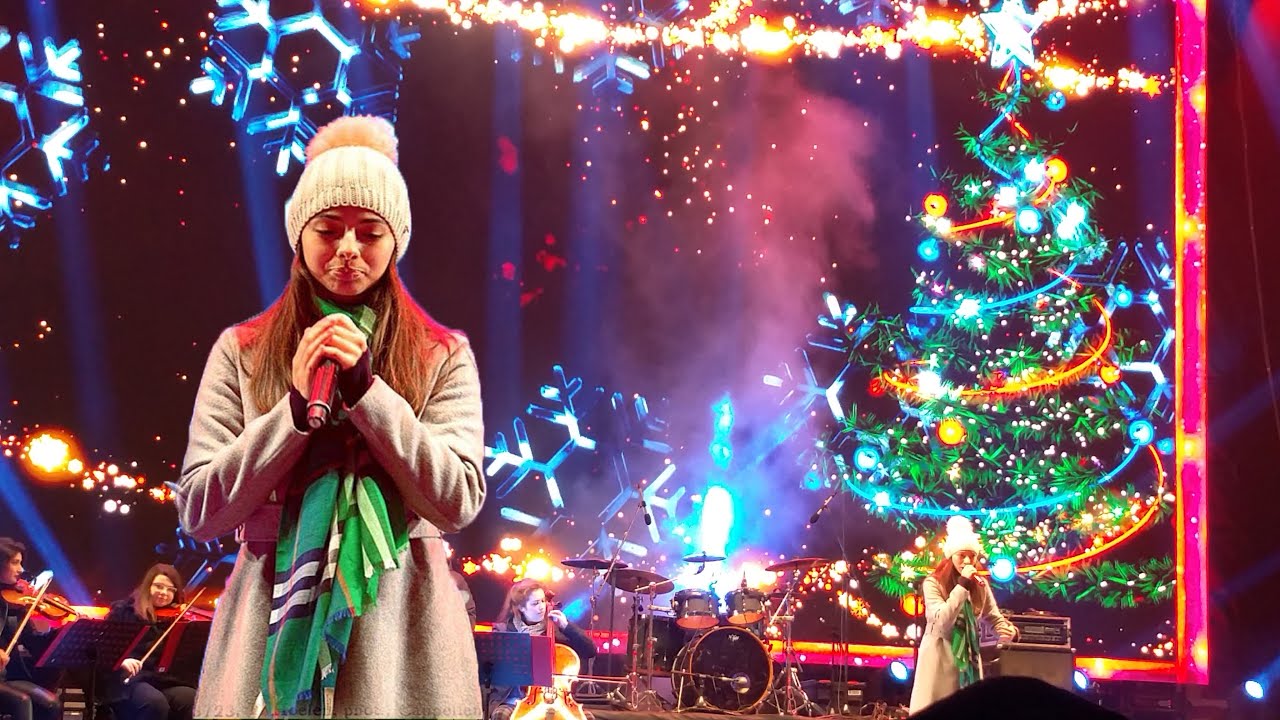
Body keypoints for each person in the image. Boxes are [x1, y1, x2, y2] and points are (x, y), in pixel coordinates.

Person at [174, 115, 486, 718]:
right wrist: (291, 411)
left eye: (369, 231)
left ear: (395, 241)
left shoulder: (441, 353)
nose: (347, 249)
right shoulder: (242, 349)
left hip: (401, 629)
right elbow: (201, 511)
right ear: (300, 237)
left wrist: (370, 393)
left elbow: (456, 501)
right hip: (266, 613)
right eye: (328, 229)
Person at [909, 516, 1018, 715]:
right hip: (939, 655)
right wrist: (962, 586)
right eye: (962, 555)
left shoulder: (980, 585)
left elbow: (993, 616)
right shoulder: (933, 583)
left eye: (972, 556)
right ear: (951, 557)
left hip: (968, 657)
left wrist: (1007, 631)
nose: (967, 561)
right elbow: (942, 620)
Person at [488, 579, 598, 720]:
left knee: (587, 717)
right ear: (521, 607)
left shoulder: (556, 630)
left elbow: (590, 651)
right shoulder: (504, 631)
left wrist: (567, 626)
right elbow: (490, 670)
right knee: (500, 715)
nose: (542, 607)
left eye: (542, 601)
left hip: (556, 700)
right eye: (535, 603)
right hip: (513, 699)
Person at [103, 564, 197, 720]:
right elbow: (105, 647)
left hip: (161, 680)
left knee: (191, 698)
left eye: (170, 590)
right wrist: (122, 660)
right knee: (155, 702)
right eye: (159, 586)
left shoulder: (176, 619)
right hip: (128, 680)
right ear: (147, 586)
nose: (164, 593)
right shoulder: (124, 611)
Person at [0, 537, 61, 720]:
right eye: (15, 563)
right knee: (21, 701)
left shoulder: (13, 604)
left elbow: (33, 643)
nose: (21, 570)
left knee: (51, 704)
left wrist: (58, 636)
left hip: (6, 677)